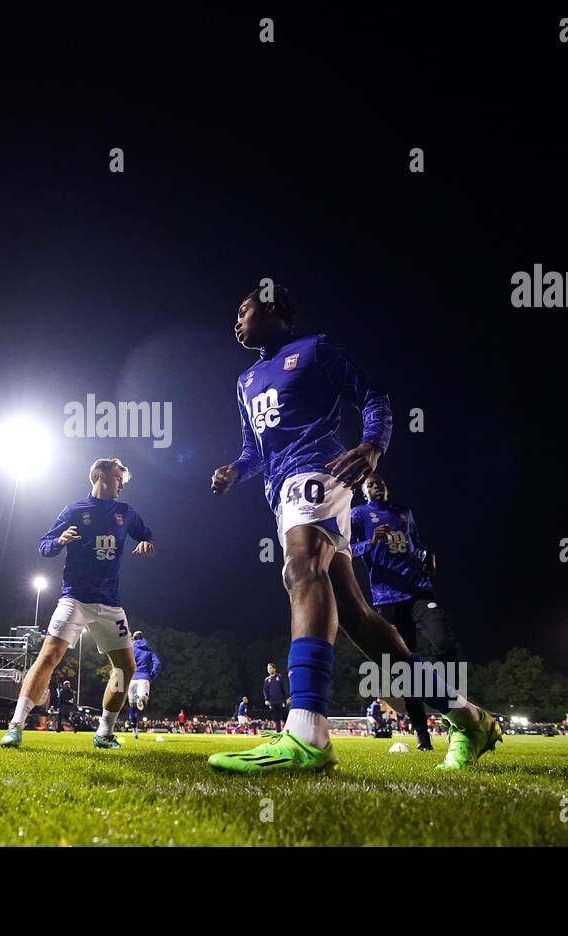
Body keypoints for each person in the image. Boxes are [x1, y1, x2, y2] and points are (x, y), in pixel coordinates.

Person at [208, 285, 500, 773]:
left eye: (245, 309)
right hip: (282, 489)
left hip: (320, 467)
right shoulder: (245, 380)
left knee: (300, 570)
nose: (236, 319)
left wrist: (371, 447)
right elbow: (255, 448)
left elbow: (373, 395)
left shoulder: (316, 348)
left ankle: (306, 732)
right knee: (360, 617)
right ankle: (468, 717)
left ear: (274, 307)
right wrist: (236, 470)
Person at [0, 457, 154, 750]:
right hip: (75, 599)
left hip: (110, 603)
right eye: (118, 478)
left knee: (125, 669)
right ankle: (16, 726)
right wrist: (60, 540)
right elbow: (44, 546)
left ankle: (104, 732)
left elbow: (145, 533)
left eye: (123, 480)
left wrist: (146, 541)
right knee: (49, 656)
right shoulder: (75, 511)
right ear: (99, 474)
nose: (121, 484)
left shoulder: (126, 513)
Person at [351, 472, 461, 751]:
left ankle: (455, 719)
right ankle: (423, 737)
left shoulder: (404, 512)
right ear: (365, 492)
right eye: (370, 485)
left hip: (418, 592)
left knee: (445, 646)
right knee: (405, 670)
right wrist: (370, 543)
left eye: (380, 483)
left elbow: (417, 544)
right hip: (387, 599)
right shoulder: (358, 515)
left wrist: (428, 557)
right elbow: (344, 550)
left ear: (387, 487)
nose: (376, 486)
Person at [126, 630, 161, 737]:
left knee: (132, 706)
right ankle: (142, 698)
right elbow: (158, 663)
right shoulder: (148, 649)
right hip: (144, 678)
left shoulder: (130, 649)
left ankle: (134, 730)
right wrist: (152, 675)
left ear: (134, 638)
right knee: (143, 695)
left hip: (131, 680)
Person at [262, 662, 288, 731]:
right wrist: (266, 699)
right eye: (268, 668)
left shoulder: (279, 677)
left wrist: (285, 699)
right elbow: (265, 690)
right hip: (272, 701)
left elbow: (284, 688)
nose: (269, 670)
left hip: (280, 700)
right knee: (277, 718)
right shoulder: (267, 679)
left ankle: (287, 730)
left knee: (284, 716)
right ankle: (278, 732)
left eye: (270, 668)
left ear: (274, 669)